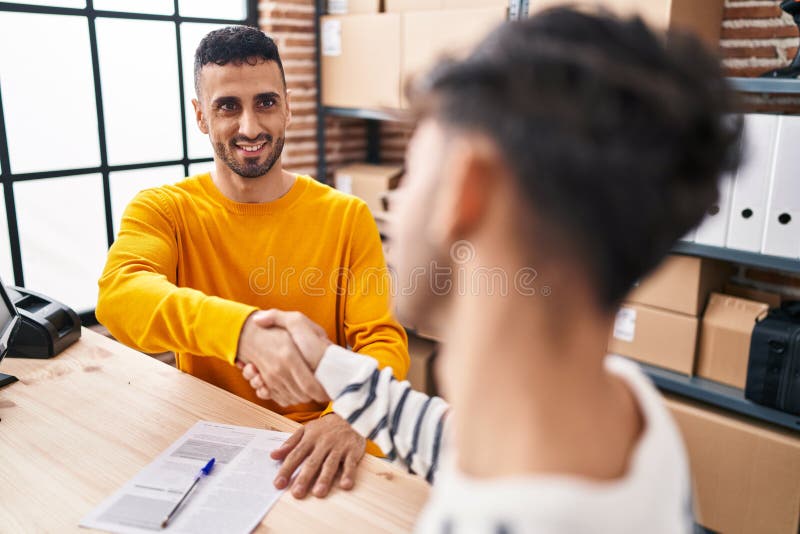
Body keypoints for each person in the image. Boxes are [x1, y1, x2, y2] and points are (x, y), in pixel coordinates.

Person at [241, 8, 742, 532]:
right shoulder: (627, 403)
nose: (399, 199)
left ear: (466, 189)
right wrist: (326, 364)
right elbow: (452, 442)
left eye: (411, 172)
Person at [96, 25, 409, 499]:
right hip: (211, 445)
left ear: (288, 106)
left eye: (265, 102)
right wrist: (242, 334)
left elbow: (382, 341)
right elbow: (120, 296)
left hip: (322, 443)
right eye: (227, 106)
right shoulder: (162, 209)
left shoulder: (346, 216)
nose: (249, 127)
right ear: (201, 116)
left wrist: (348, 419)